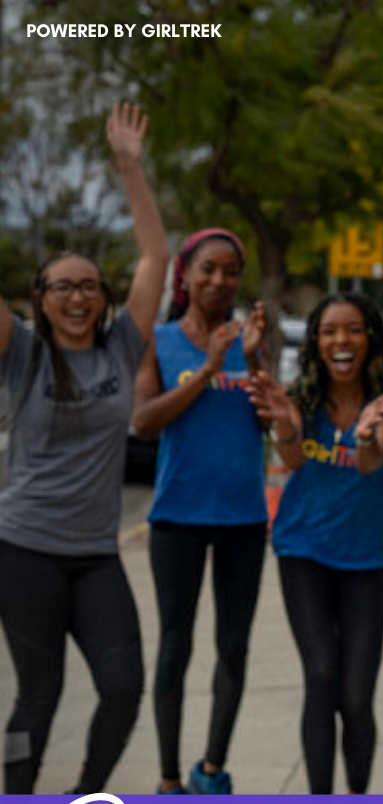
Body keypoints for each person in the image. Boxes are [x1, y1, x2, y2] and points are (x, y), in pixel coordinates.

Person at [0, 103, 169, 793]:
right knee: (36, 698)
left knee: (124, 687)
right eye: (61, 286)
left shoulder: (120, 348)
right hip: (25, 549)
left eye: (89, 285)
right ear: (40, 300)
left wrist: (130, 166)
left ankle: (86, 793)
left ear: (103, 298)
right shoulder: (23, 353)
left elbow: (156, 255)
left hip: (96, 555)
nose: (77, 294)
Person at [246, 293, 383, 793]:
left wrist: (363, 434)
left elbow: (370, 462)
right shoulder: (299, 397)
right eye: (329, 331)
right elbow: (293, 459)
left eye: (354, 329)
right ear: (316, 343)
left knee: (357, 699)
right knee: (321, 676)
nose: (341, 340)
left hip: (363, 556)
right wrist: (282, 423)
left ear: (370, 339)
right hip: (303, 551)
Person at [133, 228, 268, 794]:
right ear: (184, 276)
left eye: (230, 271)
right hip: (178, 518)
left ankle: (211, 769)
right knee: (175, 646)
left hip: (242, 518)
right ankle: (168, 778)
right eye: (208, 269)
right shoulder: (160, 340)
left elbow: (269, 420)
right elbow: (143, 420)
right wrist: (210, 366)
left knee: (232, 648)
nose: (220, 281)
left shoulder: (250, 338)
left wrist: (255, 357)